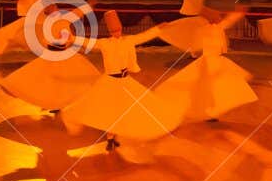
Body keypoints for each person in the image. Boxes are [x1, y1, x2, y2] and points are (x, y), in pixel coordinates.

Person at [60, 11, 183, 156]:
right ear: (110, 31)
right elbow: (88, 42)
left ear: (121, 29)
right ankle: (110, 138)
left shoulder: (128, 41)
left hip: (125, 81)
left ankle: (119, 132)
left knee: (127, 107)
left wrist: (158, 29)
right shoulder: (104, 43)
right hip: (110, 82)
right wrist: (72, 38)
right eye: (113, 31)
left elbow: (144, 36)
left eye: (117, 30)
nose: (116, 33)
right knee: (110, 109)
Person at [158, 9, 258, 122]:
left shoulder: (217, 27)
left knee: (215, 89)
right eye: (216, 16)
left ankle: (211, 111)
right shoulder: (204, 28)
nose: (219, 17)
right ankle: (208, 111)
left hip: (215, 61)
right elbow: (188, 30)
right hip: (208, 62)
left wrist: (239, 12)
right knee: (207, 88)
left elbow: (229, 20)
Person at [155, 0, 220, 54]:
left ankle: (195, 52)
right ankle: (195, 52)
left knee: (188, 36)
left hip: (191, 19)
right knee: (195, 37)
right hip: (198, 19)